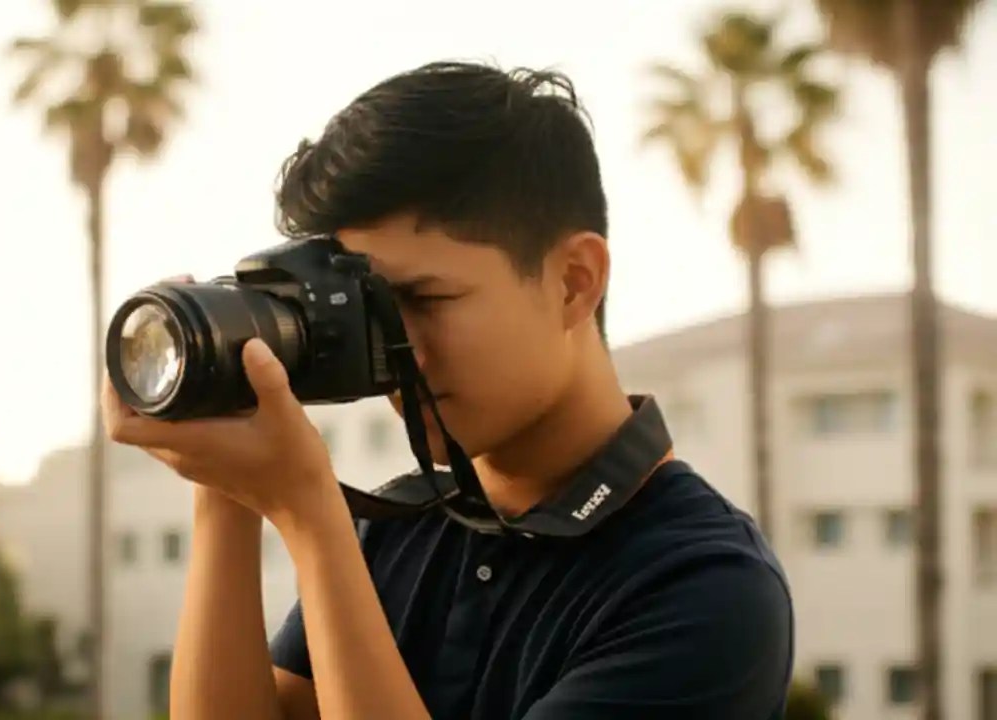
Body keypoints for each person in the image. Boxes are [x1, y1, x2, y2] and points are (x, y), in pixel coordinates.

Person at [101, 61, 794, 720]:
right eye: (369, 308)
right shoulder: (399, 530)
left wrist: (312, 518)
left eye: (425, 298)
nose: (395, 352)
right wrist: (225, 498)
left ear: (573, 281)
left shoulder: (705, 587)